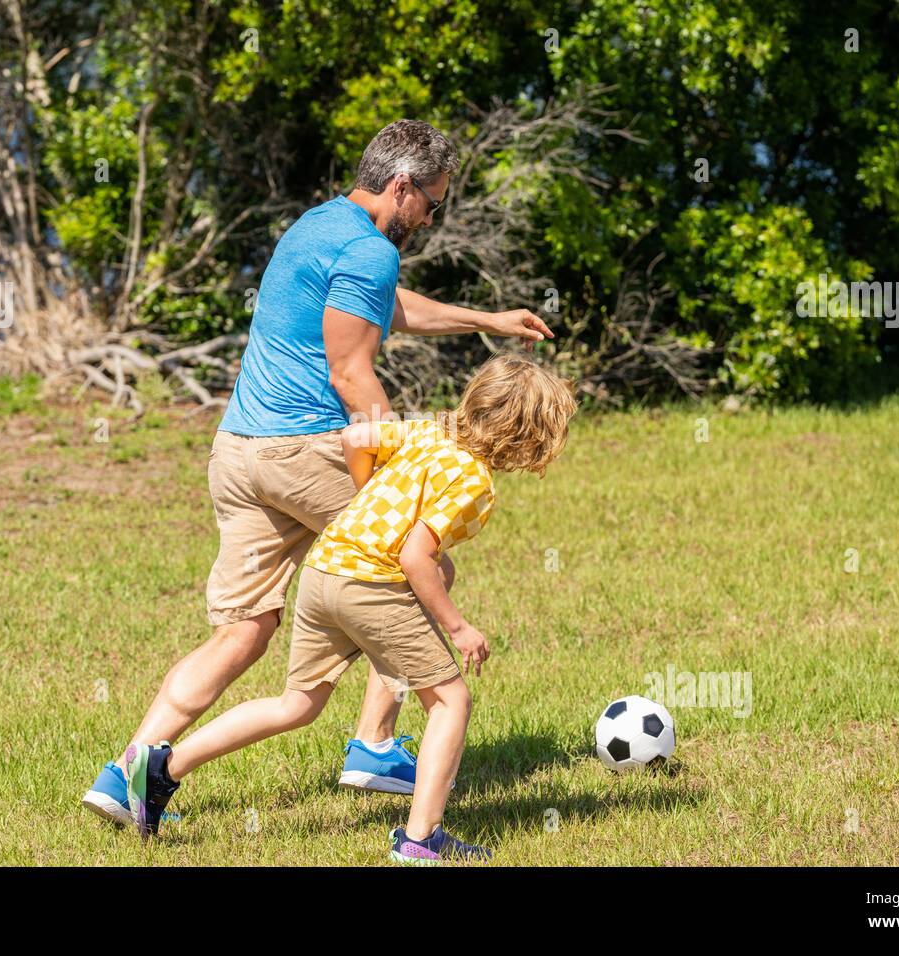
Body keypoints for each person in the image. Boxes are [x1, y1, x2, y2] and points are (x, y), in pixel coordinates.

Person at [83, 119, 554, 824]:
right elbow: (351, 369)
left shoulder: (317, 226)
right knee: (415, 566)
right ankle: (372, 744)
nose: (431, 217)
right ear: (401, 186)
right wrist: (389, 482)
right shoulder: (370, 252)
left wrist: (488, 319)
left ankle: (126, 774)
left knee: (243, 631)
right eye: (431, 201)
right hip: (301, 449)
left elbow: (387, 308)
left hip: (238, 450)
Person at [124, 354, 579, 863]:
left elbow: (356, 438)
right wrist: (458, 626)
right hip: (371, 585)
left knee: (297, 704)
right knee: (451, 701)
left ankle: (164, 768)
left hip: (326, 568)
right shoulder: (475, 482)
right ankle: (421, 839)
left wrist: (369, 500)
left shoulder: (431, 432)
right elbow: (415, 556)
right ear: (531, 436)